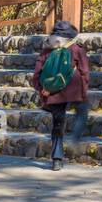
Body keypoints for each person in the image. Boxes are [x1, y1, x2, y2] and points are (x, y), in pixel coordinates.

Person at [31, 20, 90, 171]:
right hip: (75, 89)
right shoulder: (77, 48)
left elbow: (37, 73)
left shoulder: (47, 48)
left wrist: (42, 89)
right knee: (82, 111)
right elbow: (84, 72)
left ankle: (57, 159)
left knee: (58, 124)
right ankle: (75, 138)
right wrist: (83, 91)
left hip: (54, 93)